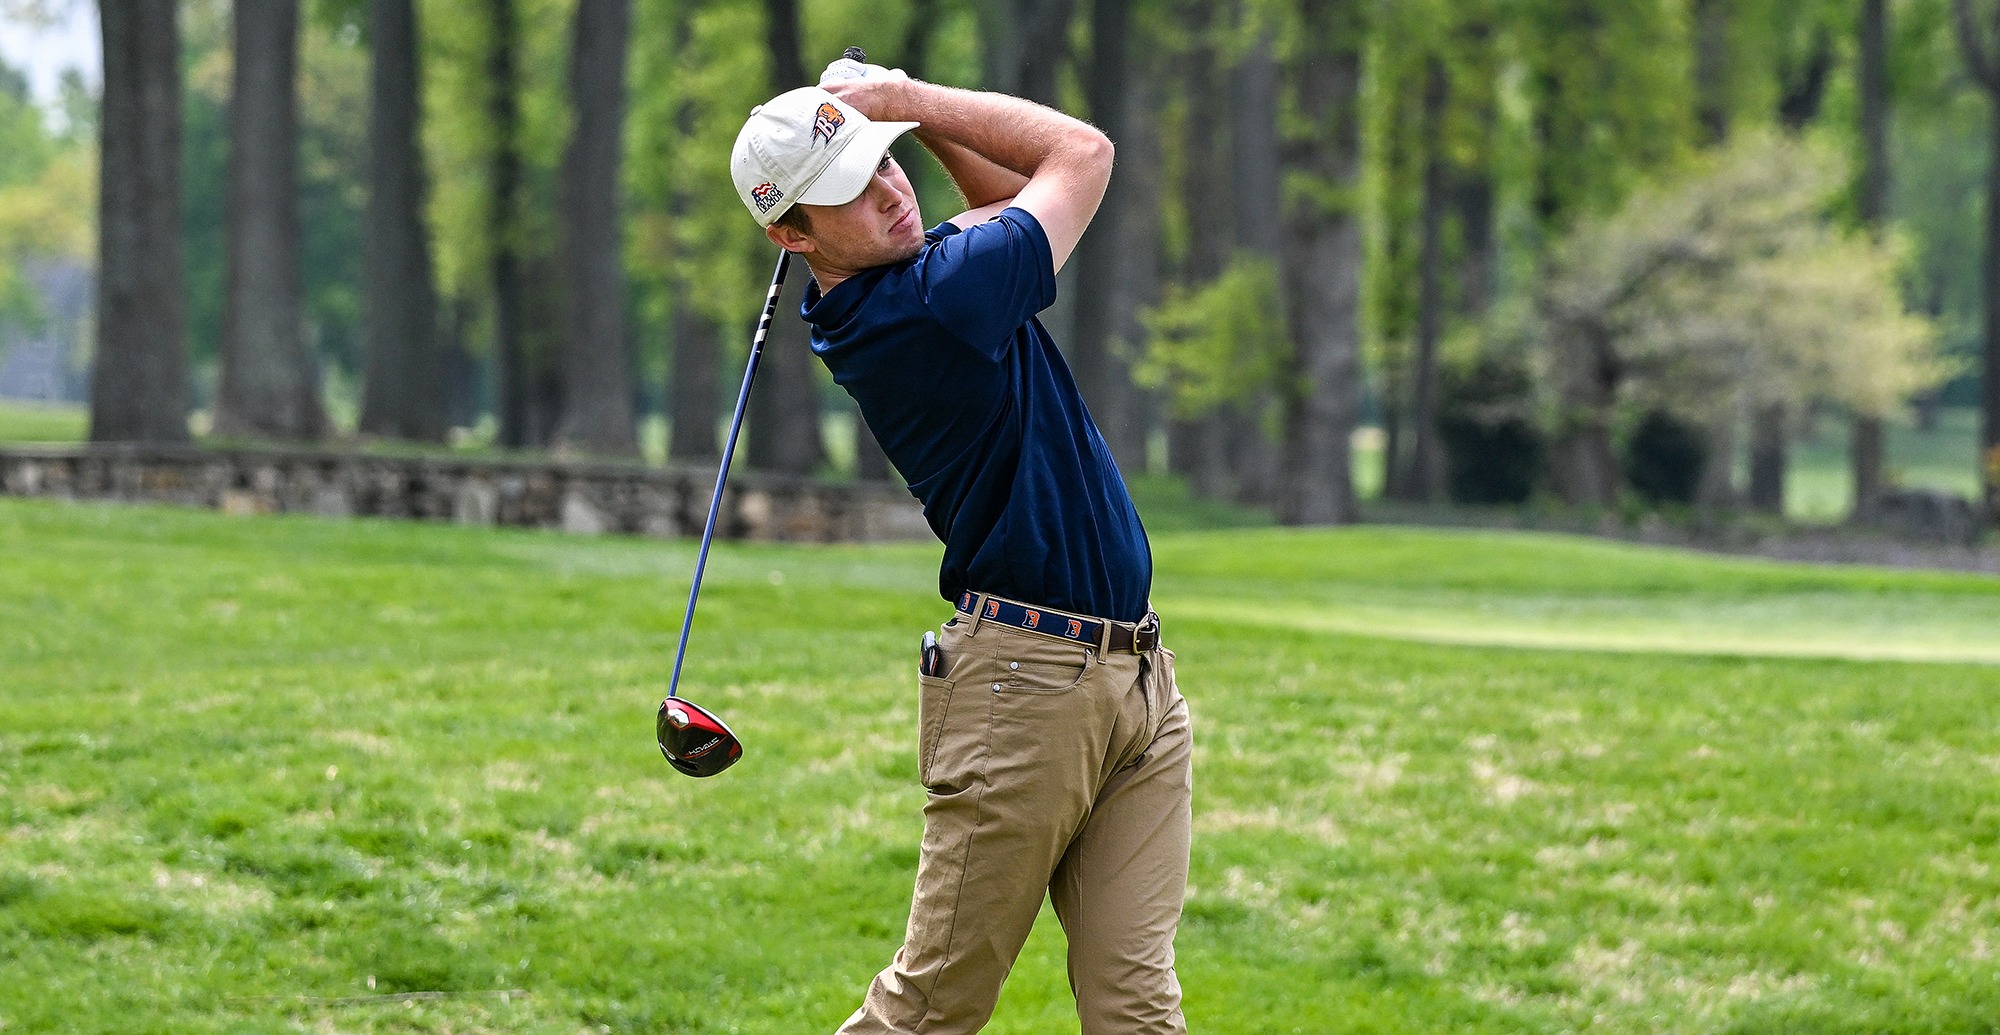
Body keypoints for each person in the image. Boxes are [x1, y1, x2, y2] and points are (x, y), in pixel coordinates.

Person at [729, 60, 1193, 1035]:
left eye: (883, 163)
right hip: (1026, 691)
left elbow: (1003, 201)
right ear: (790, 234)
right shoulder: (935, 300)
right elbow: (1078, 155)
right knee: (930, 1010)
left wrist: (904, 128)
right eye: (848, 190)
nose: (890, 190)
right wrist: (910, 100)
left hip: (1138, 681)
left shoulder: (904, 284)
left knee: (1134, 1005)